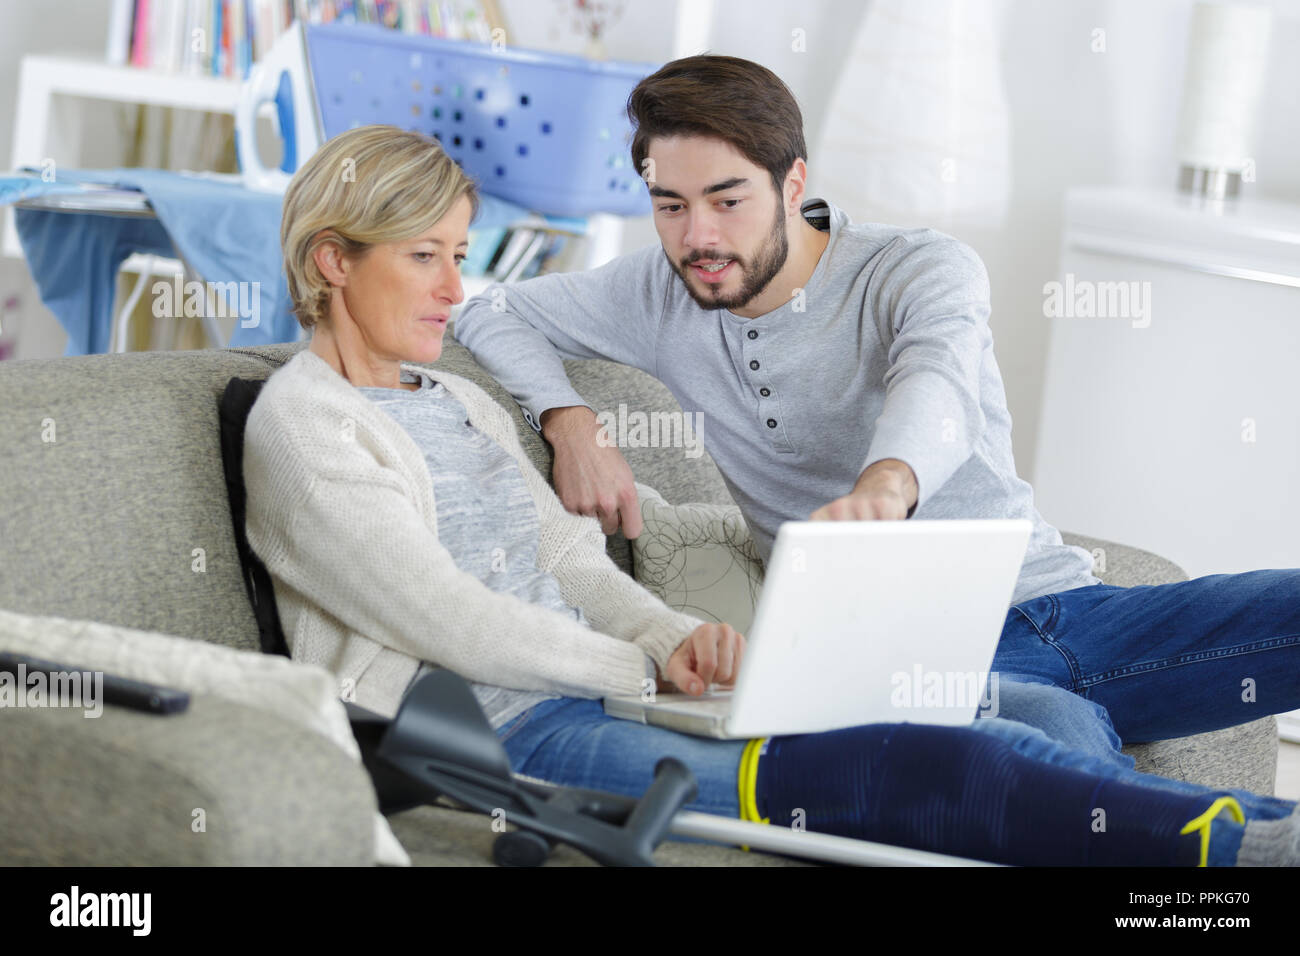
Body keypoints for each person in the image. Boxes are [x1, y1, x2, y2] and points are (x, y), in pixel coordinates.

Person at [241, 123, 1300, 867]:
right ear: (333, 259)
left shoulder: (455, 404)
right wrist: (649, 661)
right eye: (423, 258)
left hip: (603, 685)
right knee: (907, 759)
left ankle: (1249, 833)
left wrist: (674, 631)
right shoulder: (302, 423)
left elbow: (566, 560)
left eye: (458, 256)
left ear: (794, 184)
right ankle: (1236, 840)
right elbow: (445, 617)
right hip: (496, 728)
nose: (452, 290)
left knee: (1024, 706)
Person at [454, 54, 1300, 774]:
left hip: (1061, 604)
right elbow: (486, 312)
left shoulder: (917, 268)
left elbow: (937, 381)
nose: (697, 236)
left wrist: (887, 486)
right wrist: (568, 417)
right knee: (1063, 743)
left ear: (794, 184)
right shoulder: (652, 292)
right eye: (668, 204)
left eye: (726, 198)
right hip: (901, 647)